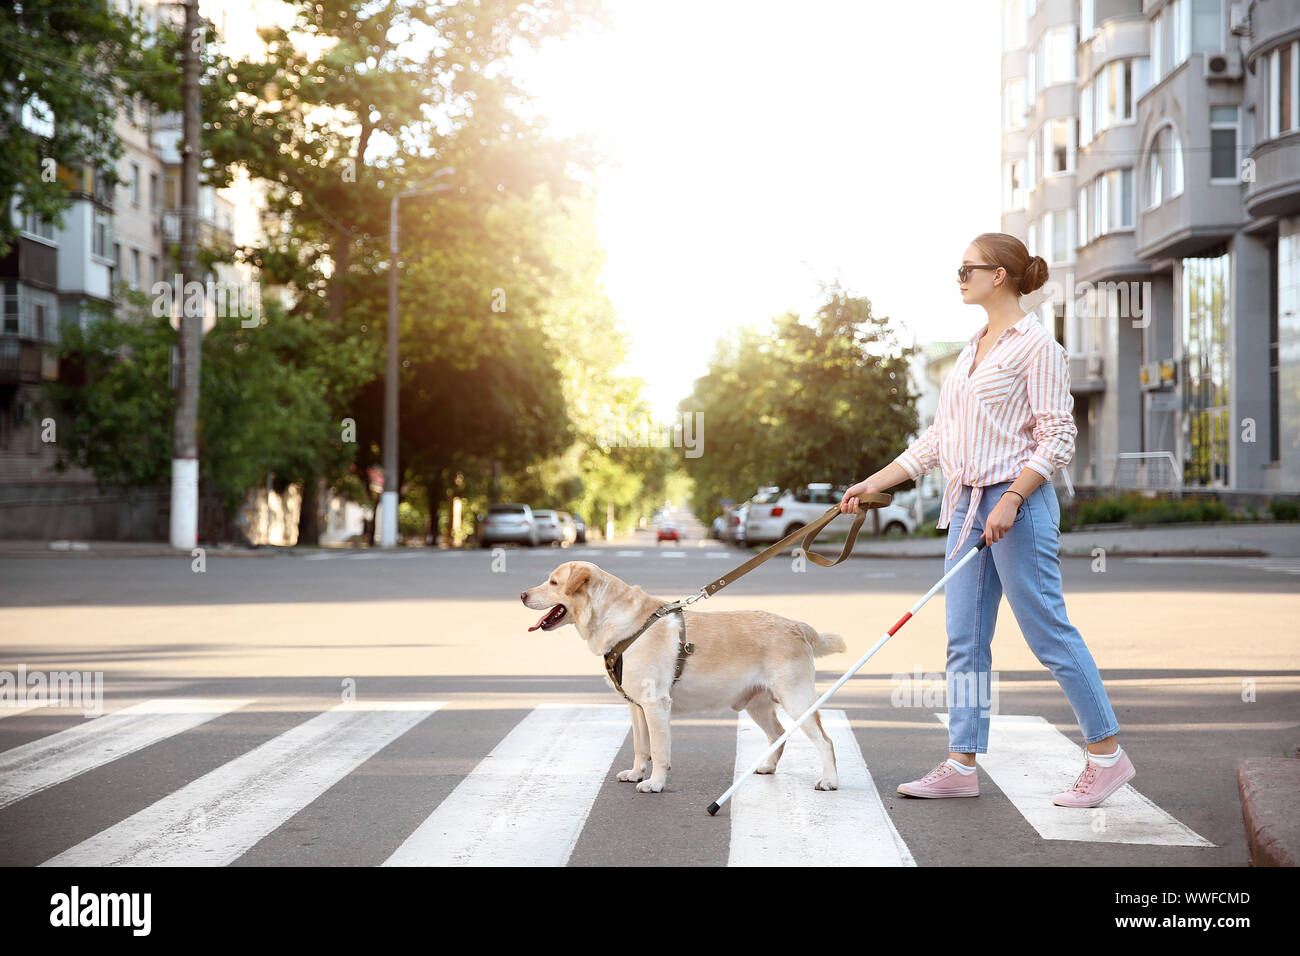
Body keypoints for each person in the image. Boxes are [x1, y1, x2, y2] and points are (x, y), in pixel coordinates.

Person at [839, 232, 1133, 808]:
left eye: (967, 268)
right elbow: (939, 439)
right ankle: (961, 763)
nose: (959, 277)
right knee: (965, 641)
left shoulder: (1037, 347)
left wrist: (1014, 498)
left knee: (1048, 631)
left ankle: (1107, 757)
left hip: (1015, 504)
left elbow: (1058, 436)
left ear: (999, 275)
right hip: (965, 506)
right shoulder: (973, 346)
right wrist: (873, 483)